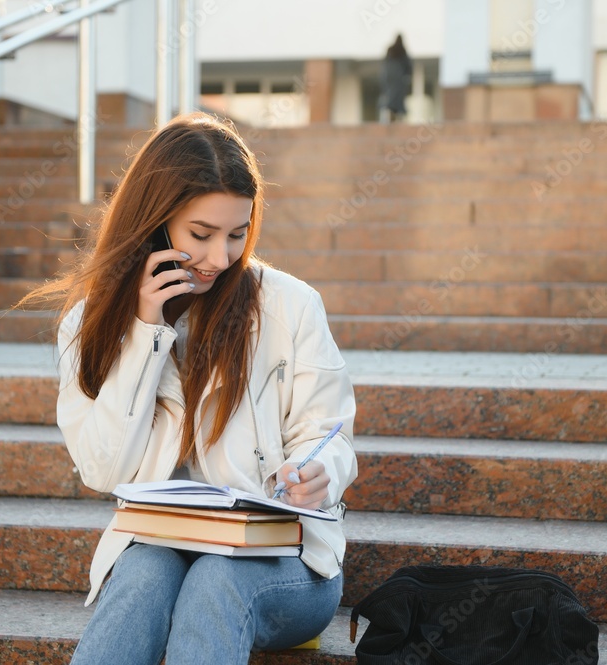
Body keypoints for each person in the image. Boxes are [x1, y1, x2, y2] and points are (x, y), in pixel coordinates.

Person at [23, 113, 357, 664]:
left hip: (285, 560)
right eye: (201, 235)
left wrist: (320, 471)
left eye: (236, 234)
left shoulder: (290, 304)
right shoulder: (92, 324)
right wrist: (145, 335)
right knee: (140, 577)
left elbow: (328, 433)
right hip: (163, 543)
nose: (221, 258)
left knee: (216, 579)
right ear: (155, 223)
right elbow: (103, 471)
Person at [380, 34, 412, 123]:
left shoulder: (391, 50)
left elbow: (385, 64)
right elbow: (408, 66)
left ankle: (392, 118)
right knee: (397, 101)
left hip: (390, 79)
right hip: (398, 79)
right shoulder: (403, 51)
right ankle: (397, 119)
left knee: (391, 100)